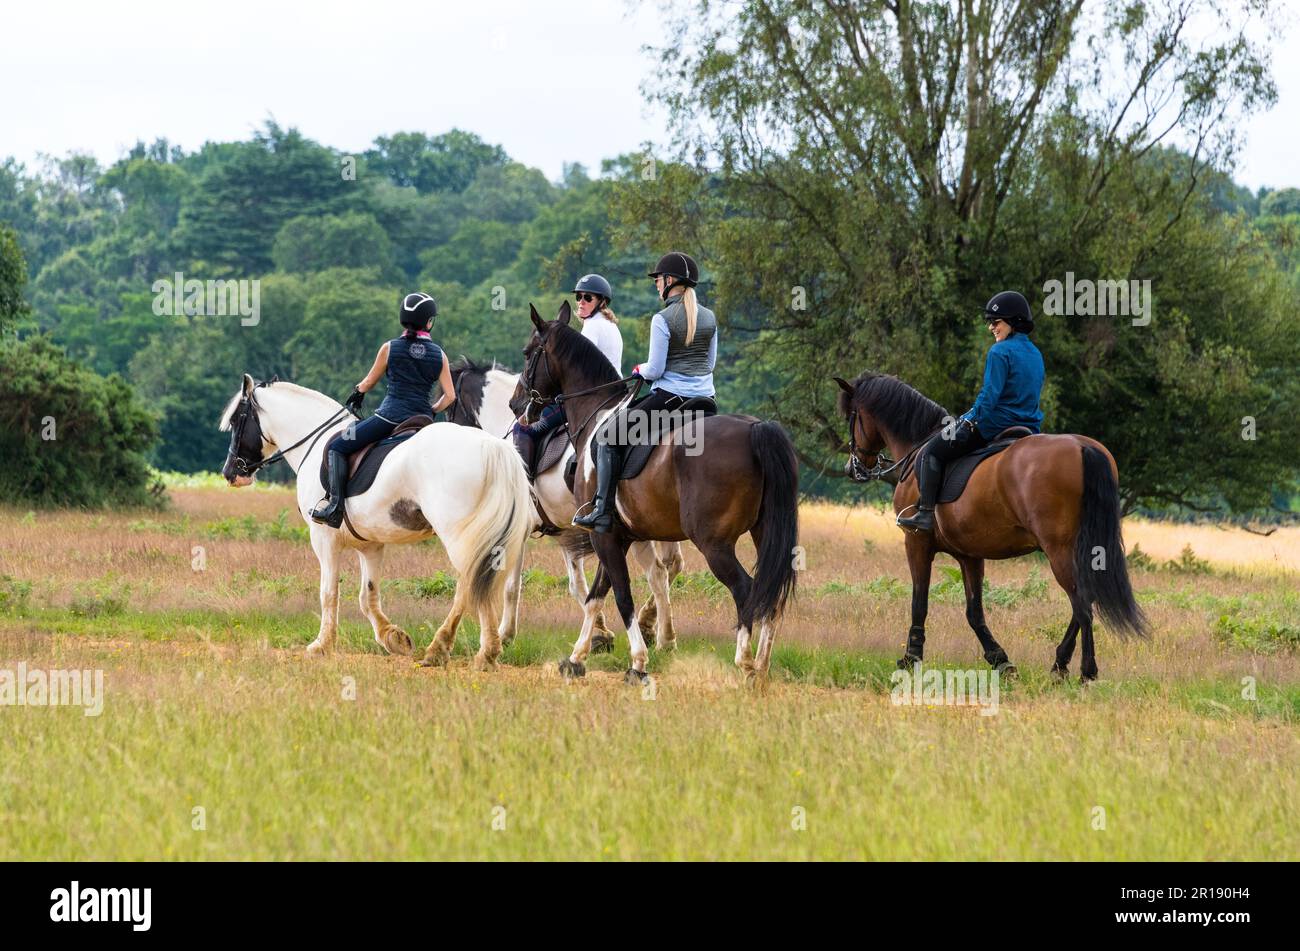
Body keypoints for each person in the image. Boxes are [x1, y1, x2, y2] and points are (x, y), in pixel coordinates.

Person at [572, 252, 717, 532]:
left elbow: (655, 370)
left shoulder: (662, 319)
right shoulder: (710, 318)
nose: (656, 284)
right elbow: (709, 364)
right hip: (705, 401)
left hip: (669, 402)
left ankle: (601, 510)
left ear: (670, 281)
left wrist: (640, 369)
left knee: (606, 439)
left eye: (658, 280)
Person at [896, 290, 1044, 534]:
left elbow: (989, 397)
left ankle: (924, 516)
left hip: (994, 425)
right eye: (990, 323)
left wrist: (967, 420)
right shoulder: (1035, 354)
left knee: (931, 451)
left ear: (1013, 322)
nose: (991, 328)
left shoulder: (1000, 352)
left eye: (996, 322)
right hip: (1029, 428)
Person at [311, 292, 455, 528]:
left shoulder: (390, 348)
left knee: (338, 445)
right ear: (429, 322)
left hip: (388, 418)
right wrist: (430, 410)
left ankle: (335, 508)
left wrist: (358, 391)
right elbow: (450, 396)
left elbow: (368, 383)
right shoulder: (439, 355)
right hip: (422, 420)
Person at [511, 273, 623, 478]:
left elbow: (574, 371)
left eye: (588, 298)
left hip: (589, 399)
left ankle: (524, 485)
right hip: (615, 396)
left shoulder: (592, 327)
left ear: (602, 302)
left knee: (523, 429)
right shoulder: (611, 325)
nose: (581, 302)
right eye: (579, 296)